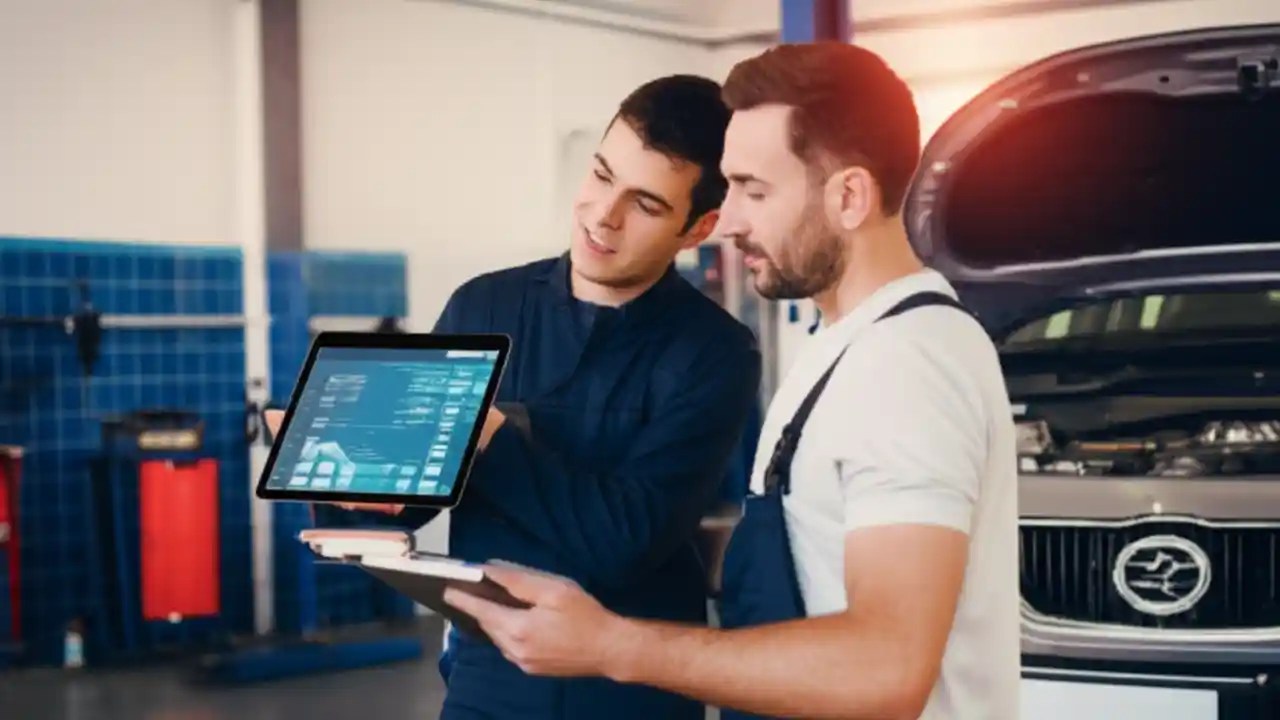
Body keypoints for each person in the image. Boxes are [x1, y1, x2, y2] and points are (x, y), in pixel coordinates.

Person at [444, 42, 1021, 720]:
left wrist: (612, 645)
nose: (732, 222)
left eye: (754, 190)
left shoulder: (907, 365)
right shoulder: (848, 348)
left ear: (849, 196)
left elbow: (885, 666)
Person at [269, 74, 760, 720]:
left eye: (645, 204)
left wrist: (491, 439)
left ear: (698, 229)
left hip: (629, 691)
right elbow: (410, 503)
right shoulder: (483, 305)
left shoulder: (715, 352)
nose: (603, 215)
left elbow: (626, 541)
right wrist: (346, 471)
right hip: (487, 681)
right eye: (601, 175)